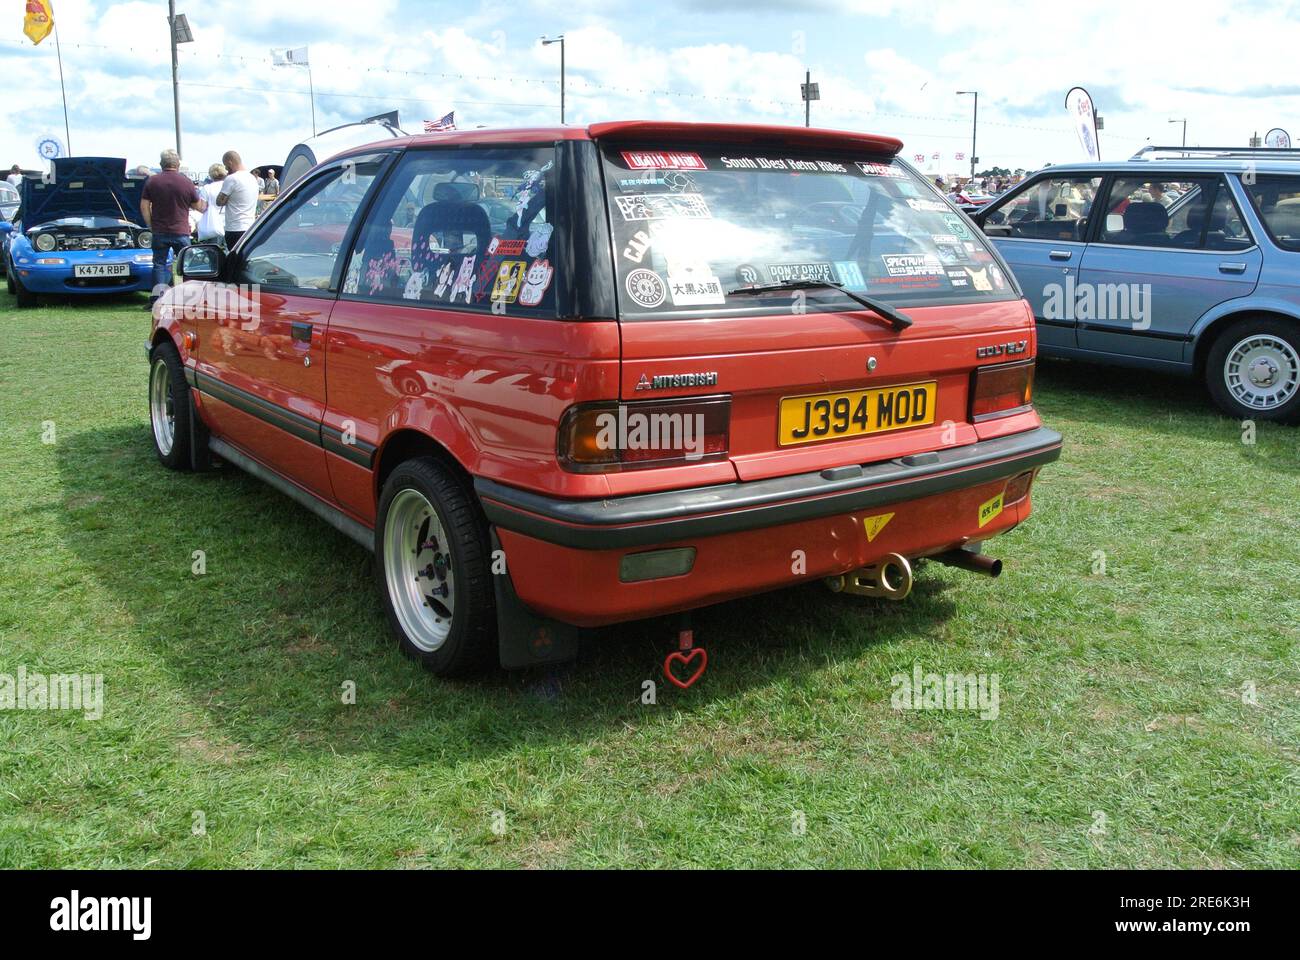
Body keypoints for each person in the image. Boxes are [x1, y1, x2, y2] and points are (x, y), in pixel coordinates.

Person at [140, 148, 206, 310]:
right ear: (177, 164)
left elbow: (144, 205)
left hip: (159, 231)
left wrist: (150, 224)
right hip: (181, 230)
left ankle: (157, 299)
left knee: (159, 264)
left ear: (162, 164)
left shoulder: (153, 181)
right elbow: (198, 206)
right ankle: (189, 299)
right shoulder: (186, 182)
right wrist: (206, 205)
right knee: (187, 265)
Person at [215, 150, 258, 248]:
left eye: (226, 166)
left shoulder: (232, 179)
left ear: (230, 162)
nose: (226, 169)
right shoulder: (252, 178)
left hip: (235, 228)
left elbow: (219, 202)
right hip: (250, 227)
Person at [196, 163, 227, 244]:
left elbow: (203, 208)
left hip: (213, 224)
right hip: (228, 222)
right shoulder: (228, 185)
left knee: (214, 250)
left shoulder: (207, 188)